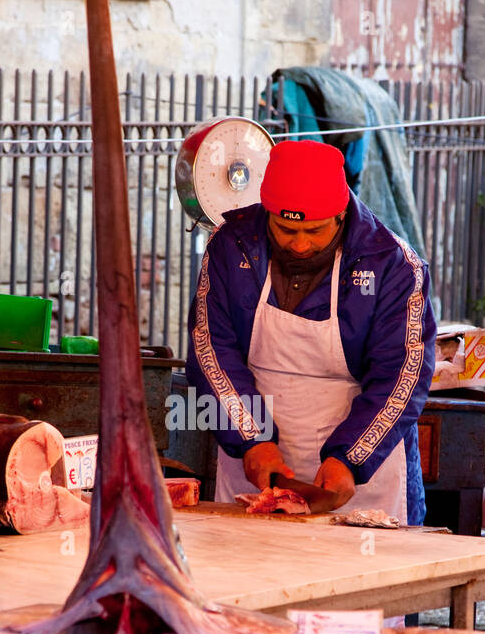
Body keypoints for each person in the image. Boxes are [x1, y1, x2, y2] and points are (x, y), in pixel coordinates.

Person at [186, 139, 437, 525]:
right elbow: (212, 351)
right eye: (285, 230)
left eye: (316, 231)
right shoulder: (230, 246)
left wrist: (350, 458)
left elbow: (401, 375)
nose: (300, 244)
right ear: (267, 212)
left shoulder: (393, 265)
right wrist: (252, 440)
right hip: (256, 459)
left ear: (341, 215)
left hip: (360, 470)